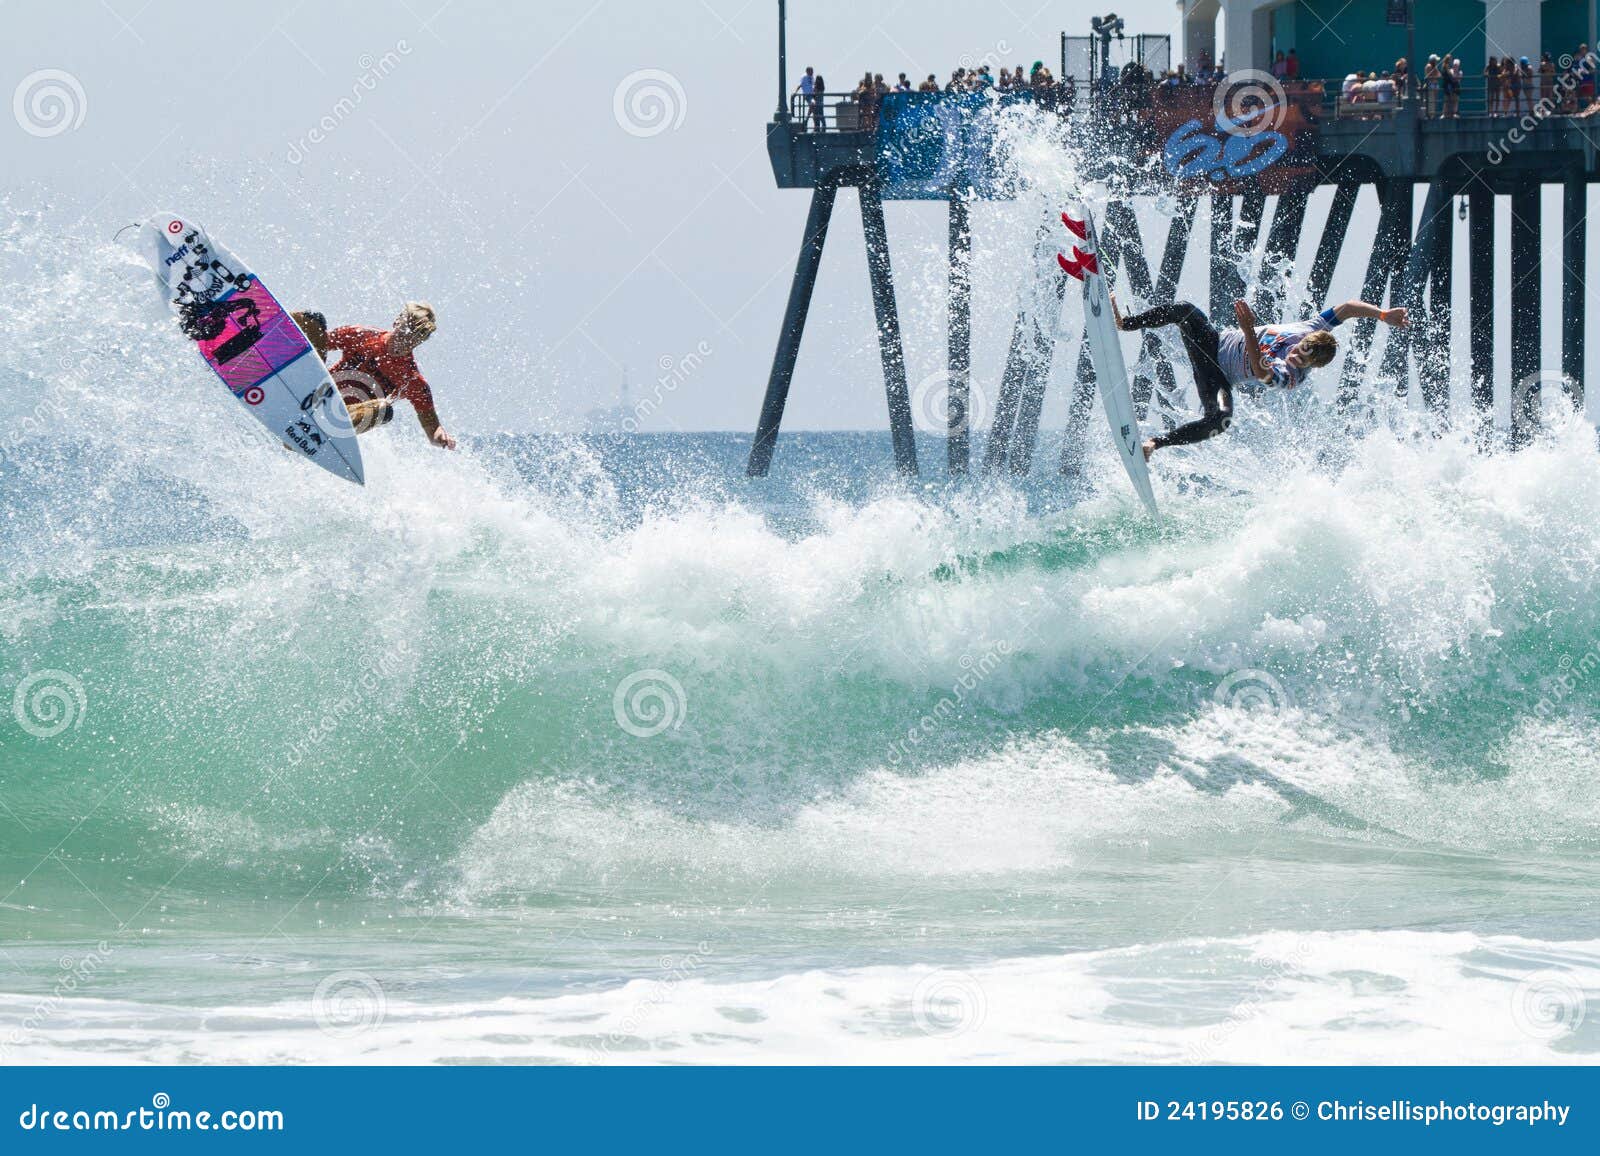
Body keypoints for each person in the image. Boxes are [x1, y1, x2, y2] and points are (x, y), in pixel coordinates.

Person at [1107, 296, 1409, 460]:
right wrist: (1382, 315)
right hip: (1211, 343)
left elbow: (1261, 370)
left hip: (1217, 377)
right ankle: (1124, 323)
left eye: (1303, 360)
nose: (1296, 356)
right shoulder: (1311, 328)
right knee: (1186, 310)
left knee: (1221, 420)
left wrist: (1249, 330)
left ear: (1312, 367)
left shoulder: (1291, 378)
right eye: (1299, 350)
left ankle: (1154, 444)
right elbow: (1348, 308)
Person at [292, 303, 456, 449]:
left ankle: (322, 433)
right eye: (405, 331)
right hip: (314, 393)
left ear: (420, 342)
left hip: (340, 418)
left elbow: (432, 428)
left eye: (414, 338)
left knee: (384, 410)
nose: (406, 340)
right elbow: (318, 342)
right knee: (313, 320)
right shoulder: (360, 335)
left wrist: (440, 437)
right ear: (397, 321)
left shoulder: (412, 380)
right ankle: (280, 356)